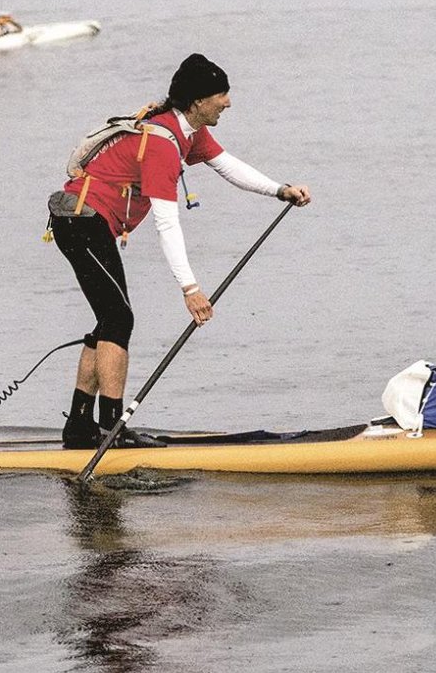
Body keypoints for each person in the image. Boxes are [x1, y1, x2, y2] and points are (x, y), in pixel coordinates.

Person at [47, 54, 312, 449]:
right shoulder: (161, 144)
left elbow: (227, 166)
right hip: (80, 222)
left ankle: (81, 427)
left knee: (110, 319)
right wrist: (190, 289)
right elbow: (166, 223)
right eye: (221, 94)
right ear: (196, 101)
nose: (228, 102)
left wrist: (279, 189)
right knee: (118, 319)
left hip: (88, 223)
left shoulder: (186, 131)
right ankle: (110, 429)